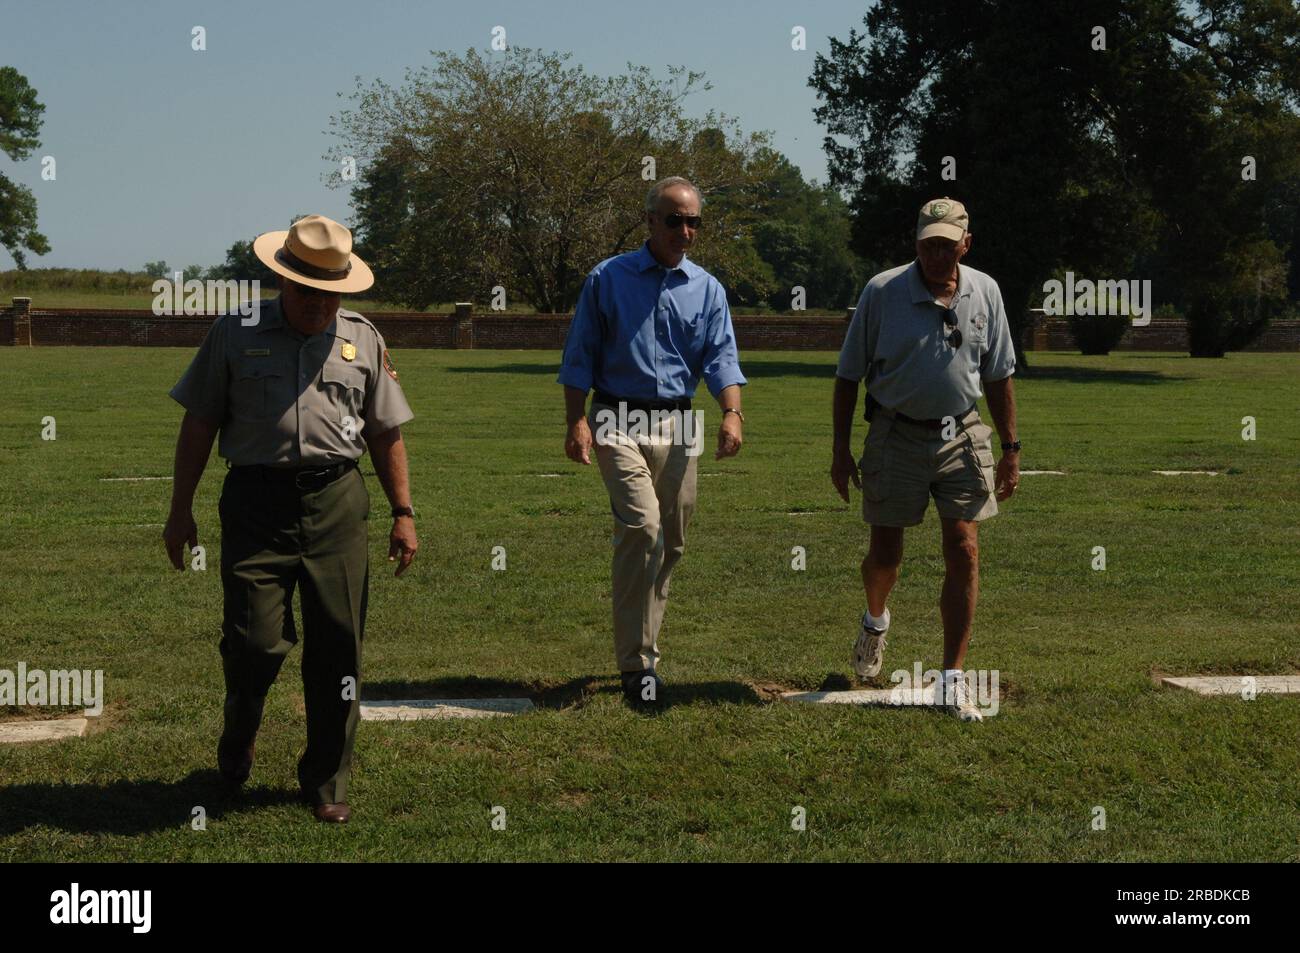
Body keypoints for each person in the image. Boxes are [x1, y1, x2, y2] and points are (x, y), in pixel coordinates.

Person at [162, 214, 417, 821]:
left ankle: (327, 780)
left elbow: (385, 431)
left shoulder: (363, 338)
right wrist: (180, 510)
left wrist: (402, 511)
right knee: (254, 642)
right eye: (308, 292)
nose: (320, 305)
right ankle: (239, 732)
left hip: (336, 503)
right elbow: (199, 422)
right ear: (283, 280)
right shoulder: (235, 332)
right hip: (255, 504)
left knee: (339, 648)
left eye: (333, 293)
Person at [558, 177, 746, 708]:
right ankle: (638, 666)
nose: (684, 232)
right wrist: (576, 421)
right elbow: (580, 355)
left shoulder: (707, 288)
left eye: (693, 223)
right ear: (648, 222)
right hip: (617, 418)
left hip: (681, 423)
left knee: (671, 543)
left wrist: (731, 412)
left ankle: (644, 649)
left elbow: (721, 358)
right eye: (673, 221)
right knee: (642, 526)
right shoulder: (607, 279)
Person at [830, 198, 1020, 721]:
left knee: (965, 549)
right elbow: (848, 374)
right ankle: (875, 620)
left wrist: (1010, 448)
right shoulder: (882, 291)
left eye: (946, 244)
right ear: (916, 243)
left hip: (962, 432)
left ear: (966, 243)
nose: (936, 253)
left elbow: (1000, 373)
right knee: (886, 557)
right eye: (927, 243)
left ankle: (952, 679)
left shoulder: (986, 291)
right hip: (895, 434)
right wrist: (840, 449)